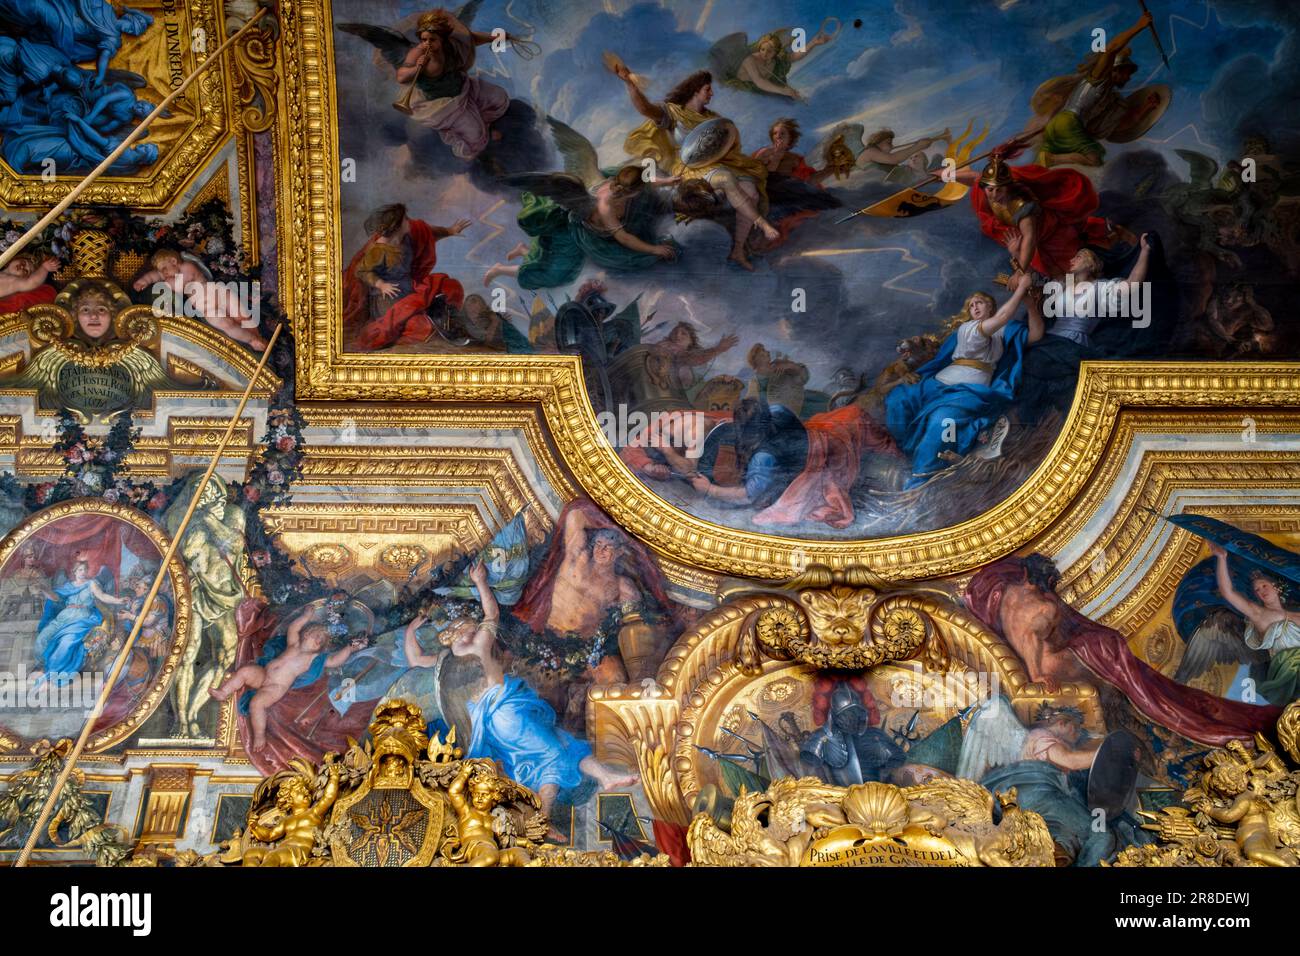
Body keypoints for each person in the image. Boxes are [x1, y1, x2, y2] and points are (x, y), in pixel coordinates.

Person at [422, 562, 638, 829]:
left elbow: (415, 658)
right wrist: (480, 582)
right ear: (466, 631)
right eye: (471, 627)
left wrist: (410, 632)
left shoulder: (448, 658)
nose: (475, 629)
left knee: (561, 744)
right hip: (507, 713)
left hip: (494, 722)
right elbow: (492, 613)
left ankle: (597, 780)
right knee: (553, 753)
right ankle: (543, 818)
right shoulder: (479, 645)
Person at [613, 64, 777, 270]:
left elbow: (724, 144)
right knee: (726, 179)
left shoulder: (712, 119)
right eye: (708, 89)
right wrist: (629, 82)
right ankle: (761, 223)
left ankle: (737, 251)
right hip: (686, 166)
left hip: (713, 163)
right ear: (695, 90)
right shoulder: (672, 112)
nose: (711, 93)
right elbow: (644, 109)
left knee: (752, 192)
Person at [885, 274, 1038, 488]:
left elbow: (1035, 336)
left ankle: (920, 477)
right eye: (971, 304)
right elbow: (1003, 316)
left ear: (991, 307)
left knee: (943, 422)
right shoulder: (969, 328)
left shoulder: (1004, 329)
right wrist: (1021, 287)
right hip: (940, 382)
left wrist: (1030, 305)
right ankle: (905, 450)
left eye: (980, 302)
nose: (974, 307)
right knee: (897, 399)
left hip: (969, 390)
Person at [483, 165, 679, 291]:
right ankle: (500, 269)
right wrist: (654, 249)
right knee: (554, 275)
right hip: (571, 235)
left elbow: (644, 182)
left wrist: (666, 182)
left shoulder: (619, 182)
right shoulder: (606, 205)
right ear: (631, 191)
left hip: (589, 234)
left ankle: (526, 251)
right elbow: (625, 239)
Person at [210, 605, 367, 753]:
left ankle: (259, 735)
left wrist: (349, 648)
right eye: (317, 635)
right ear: (306, 634)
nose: (319, 640)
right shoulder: (293, 644)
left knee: (256, 704)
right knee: (244, 671)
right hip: (263, 674)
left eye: (323, 640)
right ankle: (224, 692)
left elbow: (335, 661)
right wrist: (306, 616)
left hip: (276, 688)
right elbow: (293, 628)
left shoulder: (314, 658)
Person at [343, 203, 470, 351]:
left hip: (410, 288)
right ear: (396, 227)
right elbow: (362, 271)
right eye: (405, 219)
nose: (409, 221)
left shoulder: (408, 235)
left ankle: (438, 312)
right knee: (417, 325)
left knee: (450, 285)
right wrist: (381, 284)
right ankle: (431, 316)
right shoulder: (378, 250)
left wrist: (450, 230)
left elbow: (428, 231)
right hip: (389, 298)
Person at [1036, 11, 1153, 167]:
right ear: (1115, 70)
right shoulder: (1099, 78)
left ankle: (1047, 161)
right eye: (1127, 73)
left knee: (1038, 169)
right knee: (1095, 160)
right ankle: (1052, 159)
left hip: (1057, 126)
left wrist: (1147, 108)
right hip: (1070, 123)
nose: (1129, 78)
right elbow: (1111, 49)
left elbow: (1119, 126)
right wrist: (1139, 26)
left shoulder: (1109, 97)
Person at [393, 8, 509, 160]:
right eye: (423, 39)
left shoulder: (451, 44)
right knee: (476, 140)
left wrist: (497, 37)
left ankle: (481, 122)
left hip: (465, 88)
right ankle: (456, 133)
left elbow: (472, 39)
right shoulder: (417, 53)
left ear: (442, 38)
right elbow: (401, 77)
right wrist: (416, 68)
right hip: (446, 104)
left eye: (432, 39)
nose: (427, 43)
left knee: (500, 98)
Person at [1209, 543, 1300, 705]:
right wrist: (1222, 558)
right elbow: (1228, 592)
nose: (1261, 591)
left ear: (1277, 588)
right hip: (1287, 671)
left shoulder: (1297, 614)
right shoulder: (1259, 614)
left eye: (1264, 586)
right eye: (1257, 590)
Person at [133, 249, 267, 350]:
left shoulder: (187, 267)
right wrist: (144, 280)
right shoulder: (169, 274)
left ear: (174, 261)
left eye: (164, 269)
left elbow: (178, 286)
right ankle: (251, 340)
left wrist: (164, 281)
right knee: (227, 324)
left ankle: (258, 337)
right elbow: (155, 275)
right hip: (206, 308)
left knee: (242, 317)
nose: (164, 274)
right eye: (161, 272)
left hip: (219, 293)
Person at [692, 398, 809, 509]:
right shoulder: (777, 410)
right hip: (799, 442)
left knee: (762, 500)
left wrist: (709, 489)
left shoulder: (762, 457)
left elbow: (749, 496)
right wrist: (744, 420)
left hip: (802, 462)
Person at [32, 554, 128, 686]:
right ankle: (44, 668)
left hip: (81, 619)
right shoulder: (68, 586)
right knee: (42, 639)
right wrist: (44, 589)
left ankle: (53, 673)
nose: (83, 573)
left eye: (84, 570)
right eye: (80, 570)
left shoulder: (91, 584)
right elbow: (55, 598)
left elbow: (102, 596)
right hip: (64, 617)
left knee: (66, 643)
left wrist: (118, 600)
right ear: (74, 572)